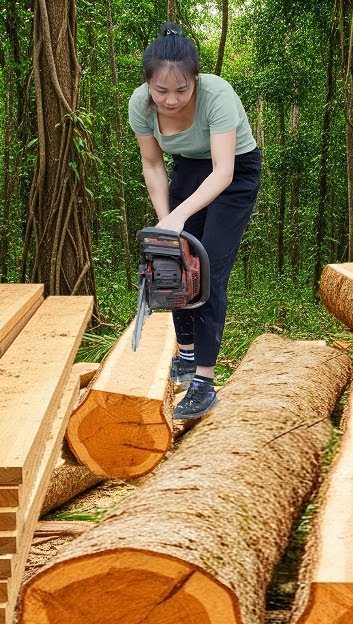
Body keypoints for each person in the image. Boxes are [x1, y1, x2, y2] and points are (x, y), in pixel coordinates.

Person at [129, 21, 261, 421]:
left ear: (196, 80)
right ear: (148, 85)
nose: (171, 99)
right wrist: (165, 222)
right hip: (186, 169)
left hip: (234, 173)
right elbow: (152, 164)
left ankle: (203, 380)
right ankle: (185, 354)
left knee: (209, 270)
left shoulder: (218, 94)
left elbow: (222, 171)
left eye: (181, 90)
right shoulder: (139, 104)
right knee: (175, 263)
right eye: (161, 90)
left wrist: (180, 216)